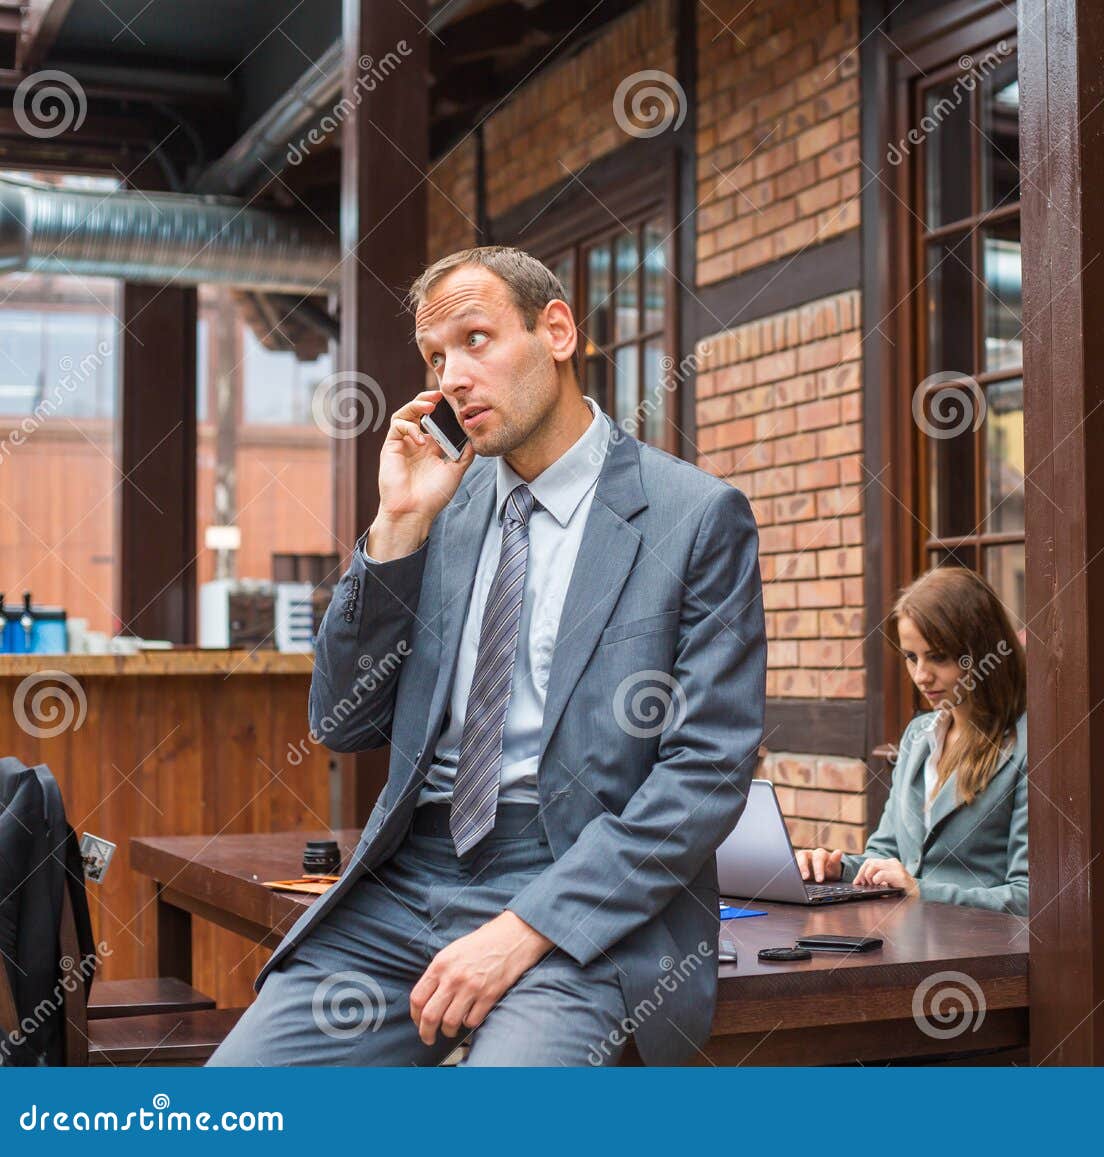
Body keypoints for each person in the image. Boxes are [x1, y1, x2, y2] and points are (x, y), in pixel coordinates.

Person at [209, 247, 765, 1066]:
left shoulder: (694, 516)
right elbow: (339, 717)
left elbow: (707, 772)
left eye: (476, 339)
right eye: (436, 357)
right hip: (408, 882)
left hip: (579, 886)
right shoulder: (441, 508)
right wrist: (396, 528)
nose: (453, 376)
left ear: (558, 331)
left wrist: (524, 927)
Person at [797, 567, 1027, 915]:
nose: (921, 676)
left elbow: (1030, 898)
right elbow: (885, 855)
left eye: (938, 657)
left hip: (978, 954)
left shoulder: (1028, 747)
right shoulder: (919, 735)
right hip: (905, 946)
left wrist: (922, 890)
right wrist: (837, 868)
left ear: (981, 651)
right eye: (911, 657)